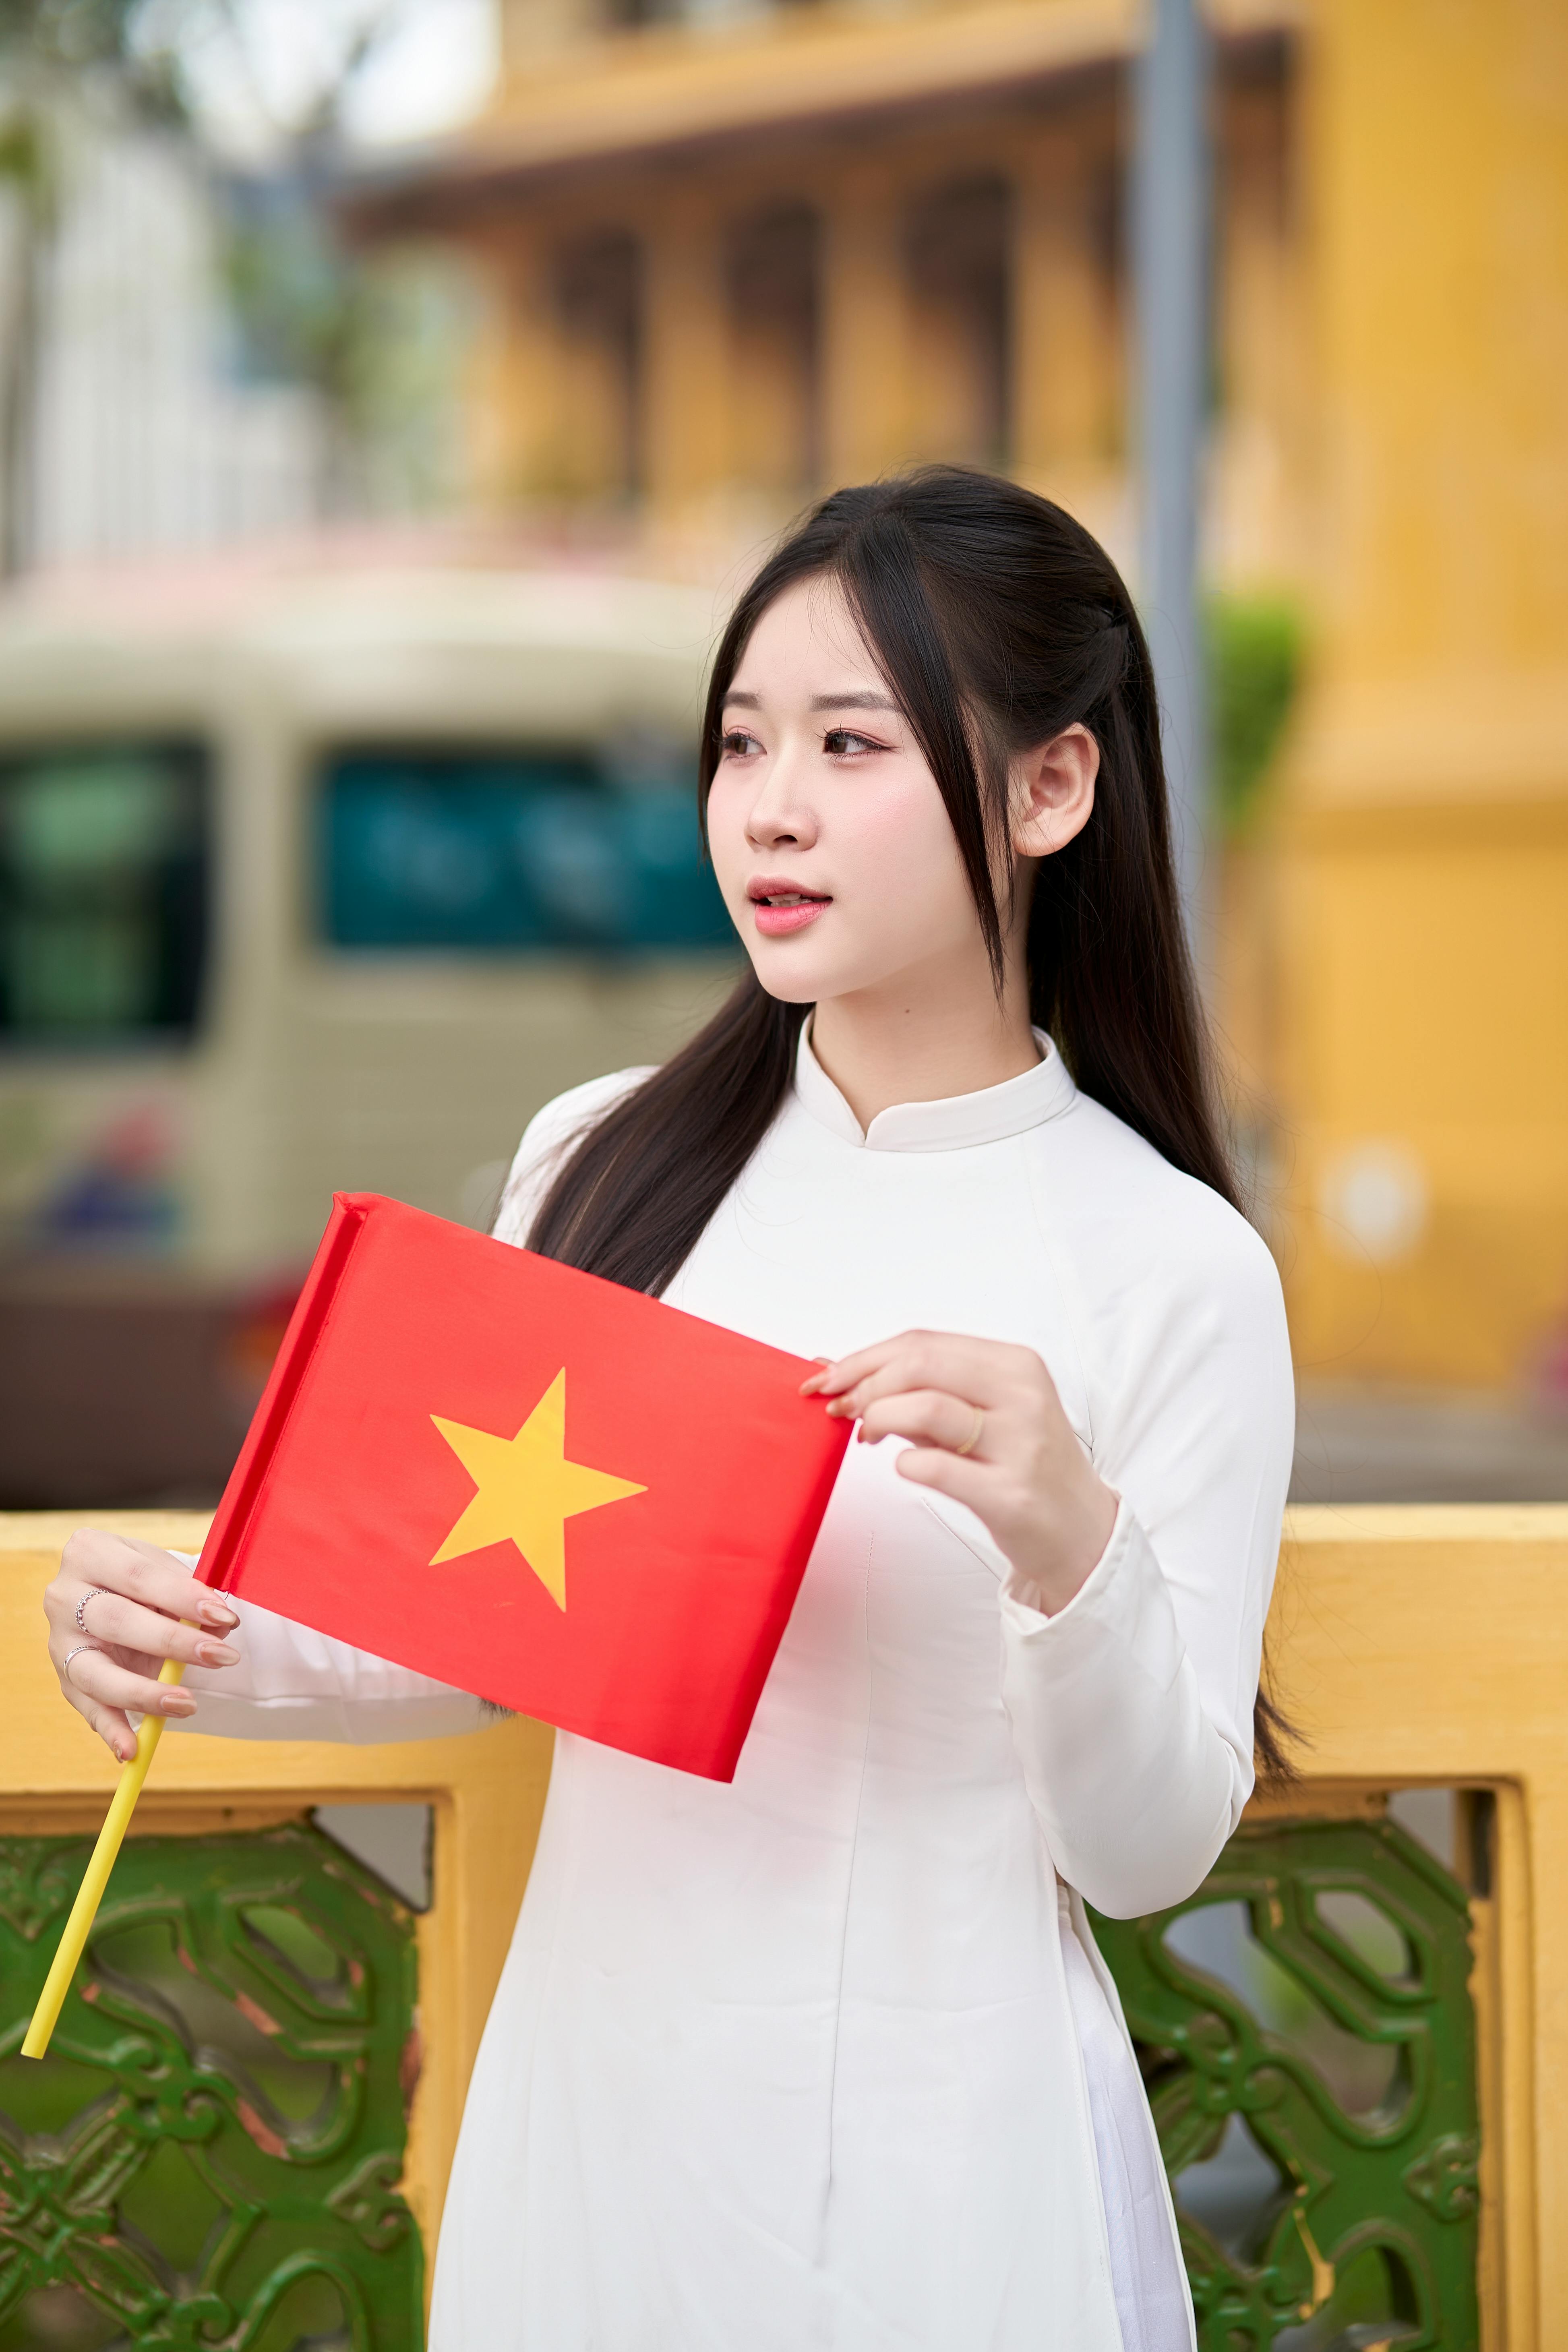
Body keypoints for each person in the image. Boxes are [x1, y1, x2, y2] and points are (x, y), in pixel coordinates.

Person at [44, 468, 1295, 2352]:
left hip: (949, 2174)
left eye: (849, 745)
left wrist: (1071, 1543)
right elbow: (485, 1631)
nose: (767, 809)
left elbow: (1142, 1854)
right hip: (596, 2127)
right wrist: (186, 1642)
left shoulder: (1173, 1267)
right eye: (737, 745)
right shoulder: (608, 1160)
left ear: (1048, 789)